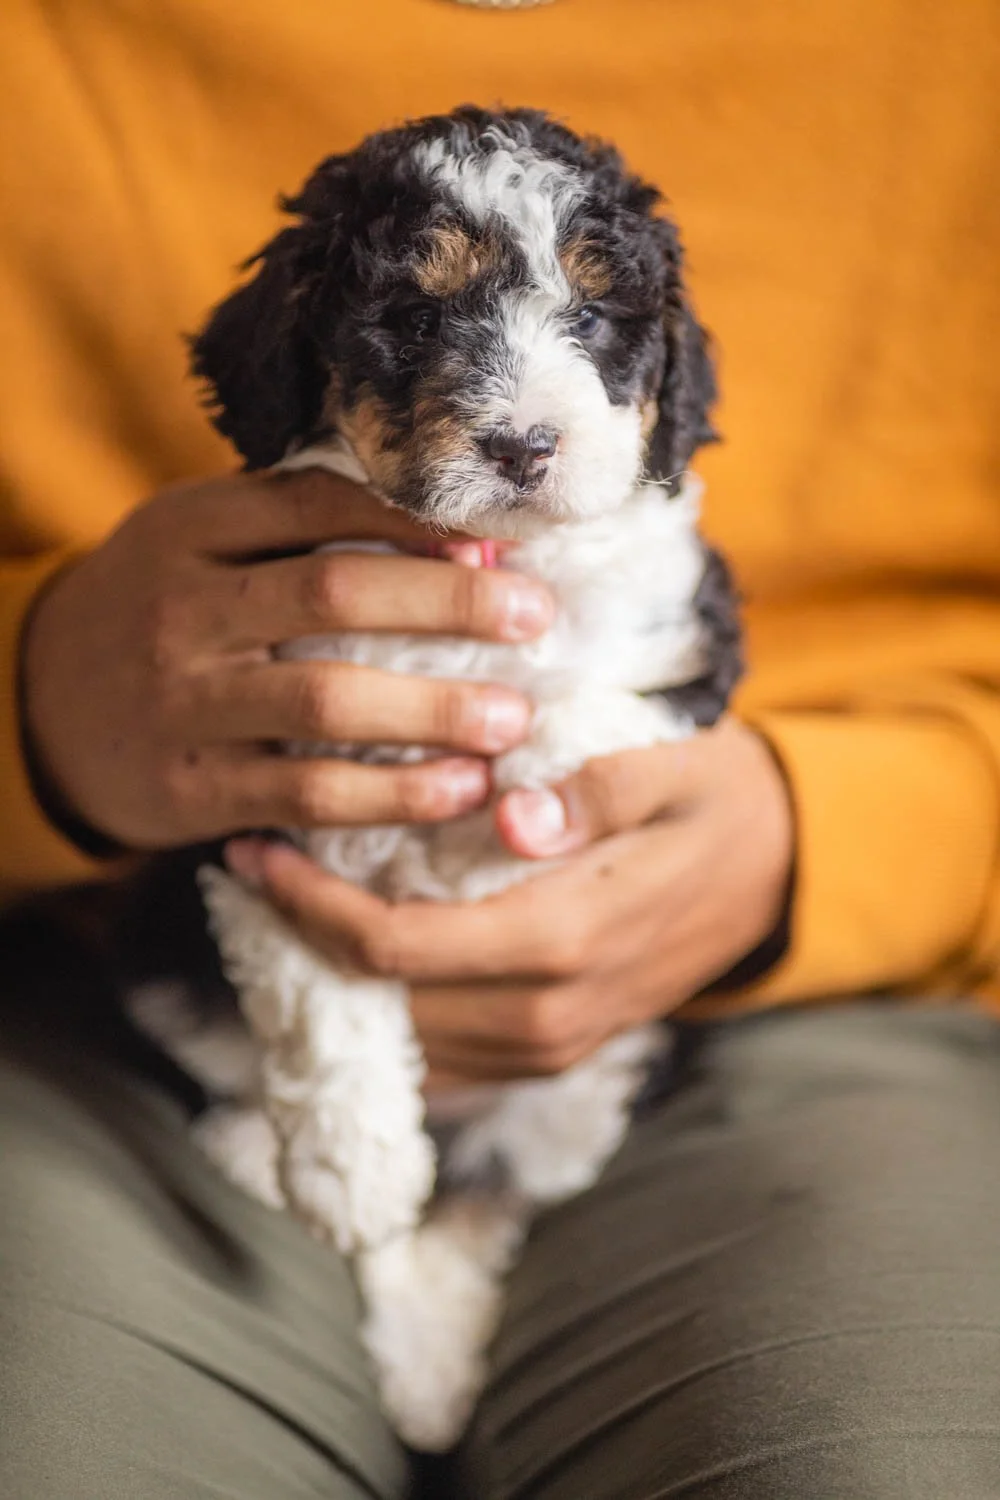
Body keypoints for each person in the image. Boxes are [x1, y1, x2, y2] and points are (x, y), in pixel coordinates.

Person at [1, 2, 998, 1496]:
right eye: (413, 325)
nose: (524, 416)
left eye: (593, 320)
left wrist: (826, 839)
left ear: (660, 370)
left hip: (802, 1014)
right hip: (126, 1010)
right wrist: (32, 705)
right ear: (299, 362)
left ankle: (471, 1235)